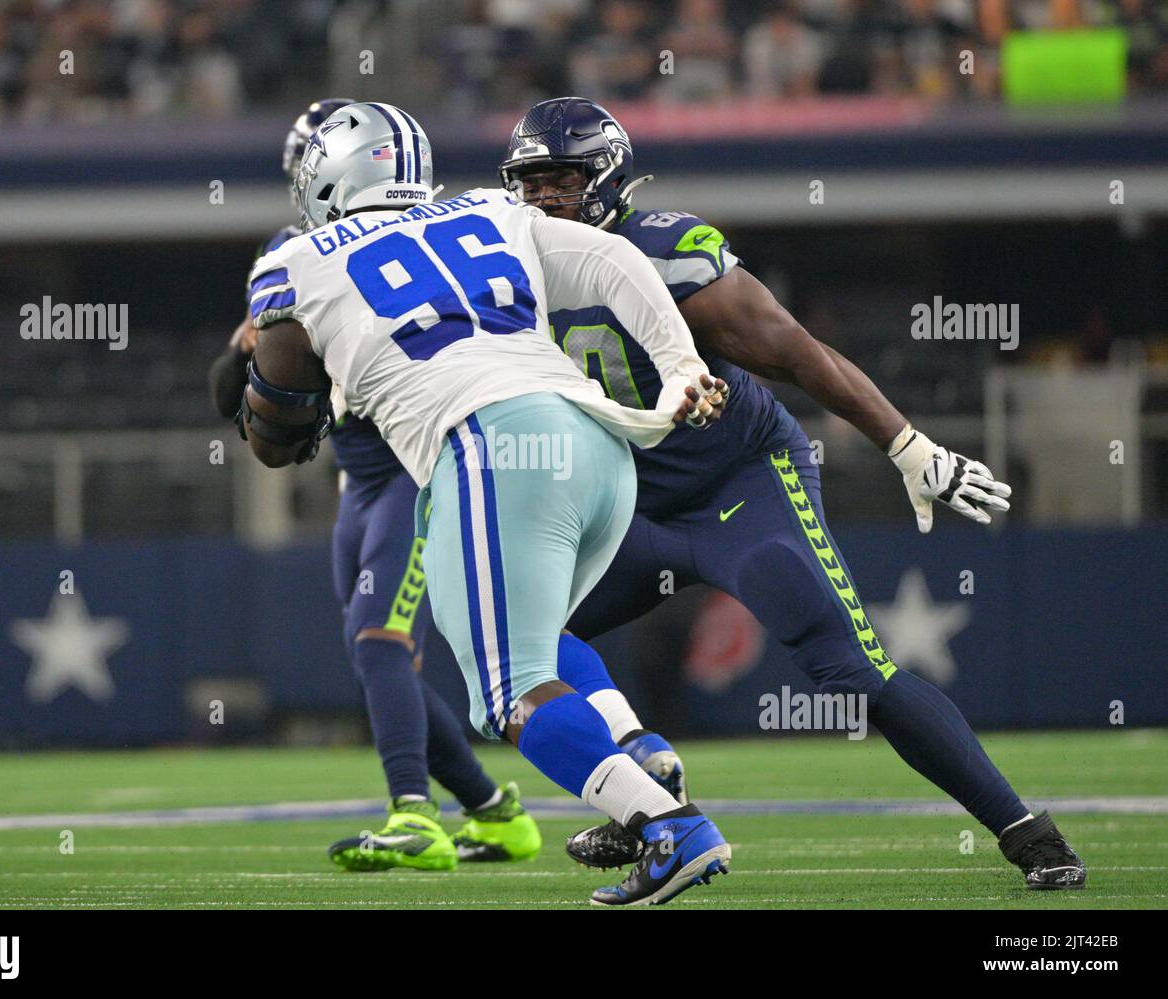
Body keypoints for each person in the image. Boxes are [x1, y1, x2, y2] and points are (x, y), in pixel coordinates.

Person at [499, 96, 1085, 890]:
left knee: (851, 667)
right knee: (518, 638)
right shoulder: (504, 270)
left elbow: (798, 352)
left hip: (737, 484)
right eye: (531, 182)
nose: (544, 199)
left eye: (561, 179)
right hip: (627, 499)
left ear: (606, 178)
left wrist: (906, 444)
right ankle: (647, 782)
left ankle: (1026, 830)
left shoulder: (665, 253)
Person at [238, 101, 733, 905]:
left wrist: (259, 397)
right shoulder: (490, 208)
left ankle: (668, 824)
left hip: (492, 444)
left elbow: (276, 430)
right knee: (538, 644)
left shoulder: (295, 261)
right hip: (601, 442)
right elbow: (612, 263)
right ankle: (636, 749)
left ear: (327, 178)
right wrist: (679, 365)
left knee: (509, 691)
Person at [208, 99, 541, 873]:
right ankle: (496, 812)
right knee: (374, 652)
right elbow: (236, 383)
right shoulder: (289, 255)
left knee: (380, 640)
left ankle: (414, 812)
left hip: (417, 468)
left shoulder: (398, 238)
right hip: (357, 481)